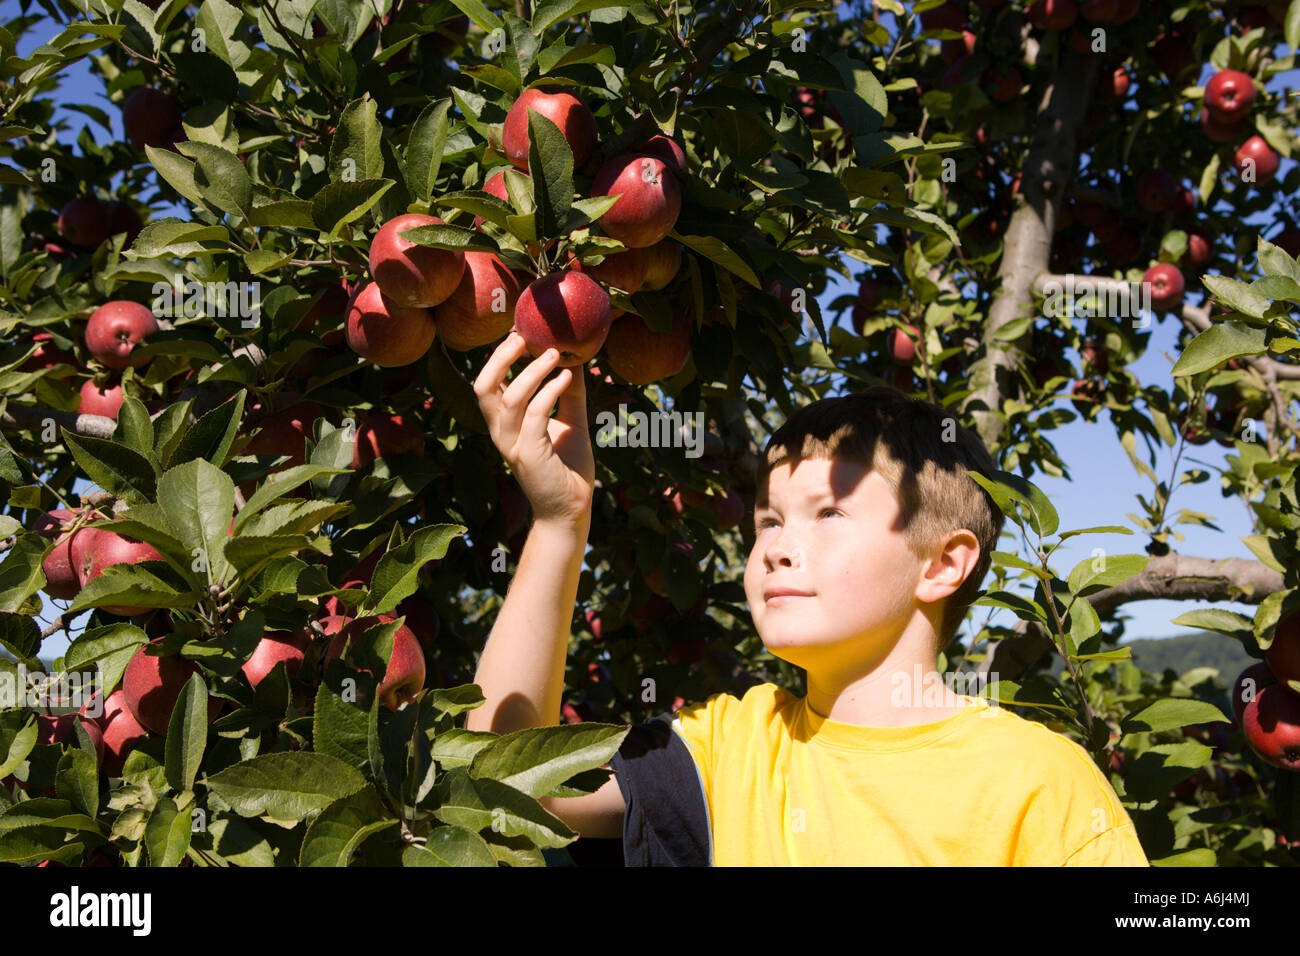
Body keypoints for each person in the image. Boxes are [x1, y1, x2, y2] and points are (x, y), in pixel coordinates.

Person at [467, 331, 1148, 866]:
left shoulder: (1035, 780)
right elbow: (506, 789)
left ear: (943, 566)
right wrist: (560, 524)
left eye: (828, 514)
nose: (775, 547)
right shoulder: (729, 749)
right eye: (767, 519)